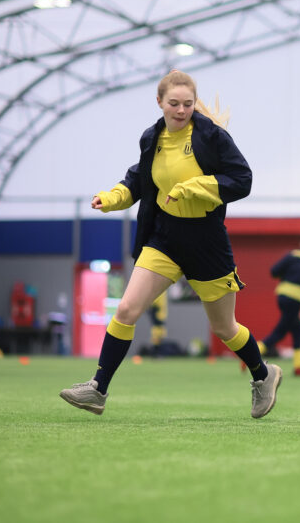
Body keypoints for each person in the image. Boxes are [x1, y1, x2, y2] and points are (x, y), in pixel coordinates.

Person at [59, 70, 282, 419]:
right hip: (163, 238)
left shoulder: (212, 137)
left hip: (205, 242)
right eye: (174, 104)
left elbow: (242, 180)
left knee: (225, 328)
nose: (181, 110)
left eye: (188, 104)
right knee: (126, 310)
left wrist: (194, 187)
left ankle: (263, 374)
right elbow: (138, 179)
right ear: (160, 102)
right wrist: (111, 197)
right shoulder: (152, 138)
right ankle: (98, 389)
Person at [259, 233, 300, 377]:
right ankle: (254, 353)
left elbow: (274, 271)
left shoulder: (294, 254)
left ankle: (298, 367)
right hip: (297, 298)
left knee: (297, 330)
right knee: (281, 331)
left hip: (283, 295)